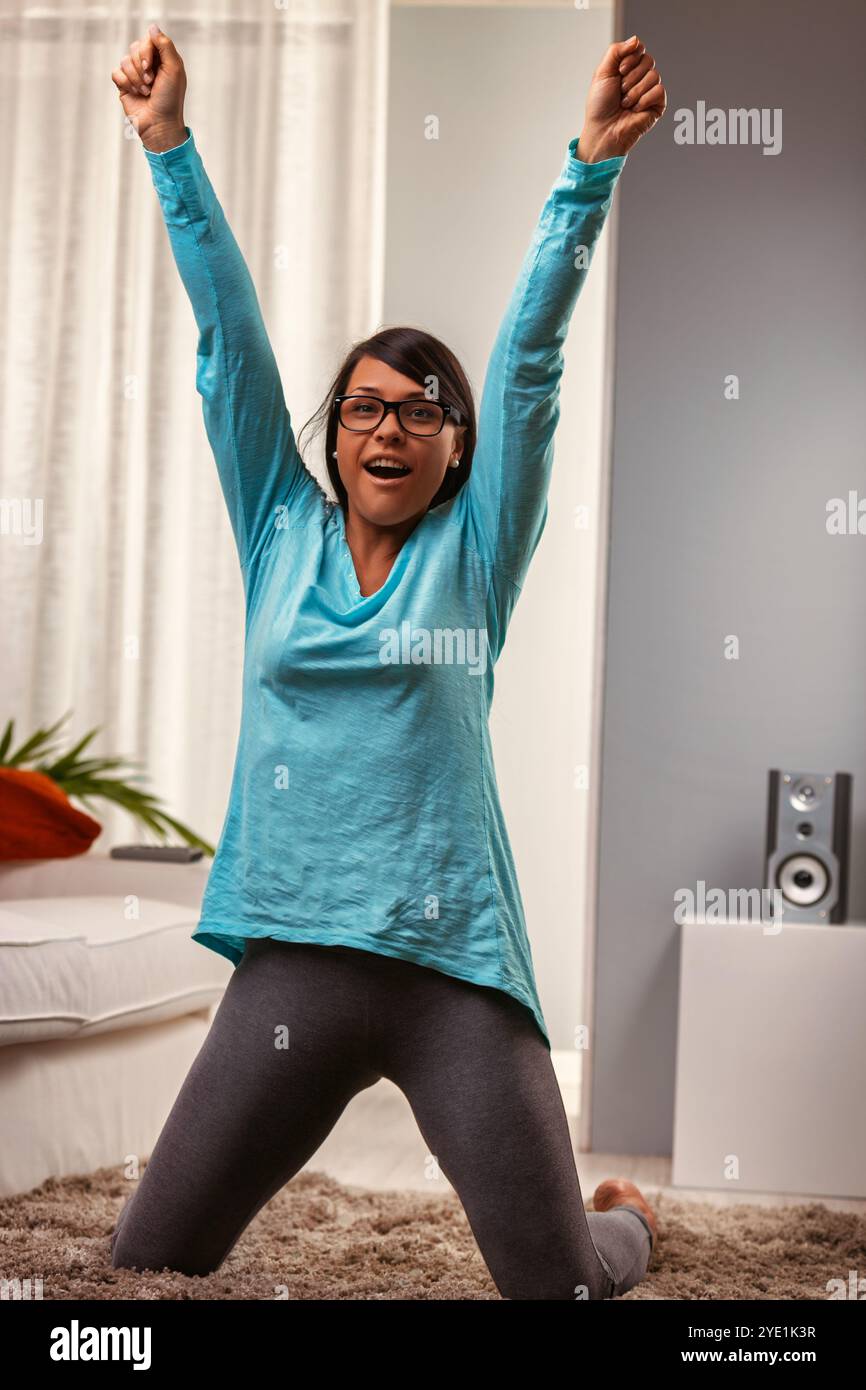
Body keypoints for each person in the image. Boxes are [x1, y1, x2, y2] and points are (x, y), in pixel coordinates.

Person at [109, 22, 666, 1299]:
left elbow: (526, 361)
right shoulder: (277, 527)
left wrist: (587, 167)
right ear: (332, 428)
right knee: (145, 1264)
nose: (390, 425)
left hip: (449, 971)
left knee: (566, 1290)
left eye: (422, 411)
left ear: (457, 452)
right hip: (292, 967)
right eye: (364, 403)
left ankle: (625, 1225)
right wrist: (166, 146)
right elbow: (227, 338)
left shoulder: (473, 551)